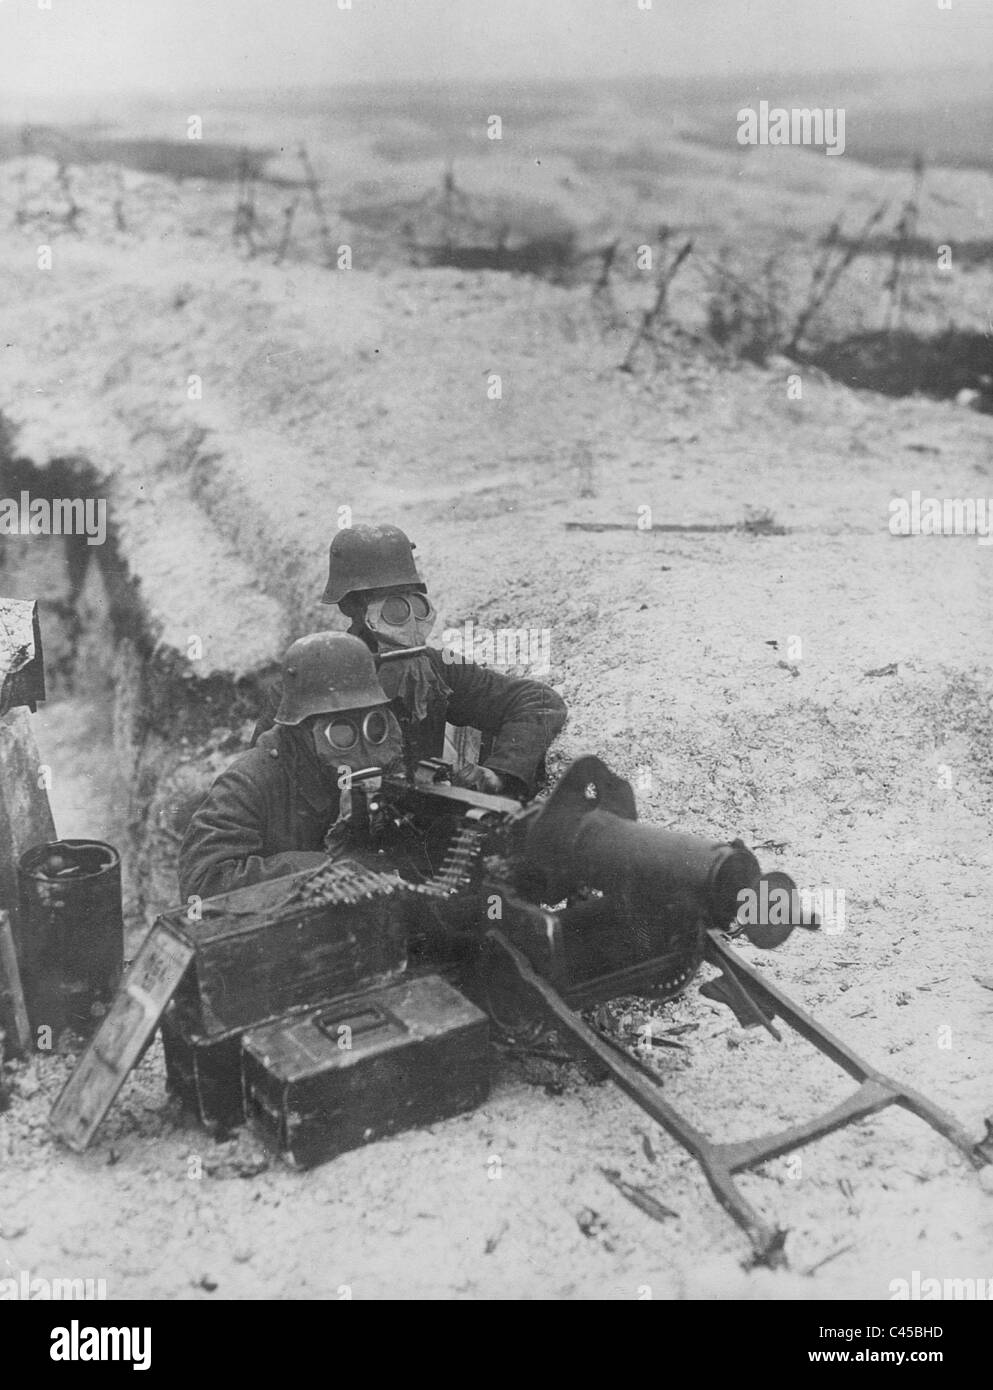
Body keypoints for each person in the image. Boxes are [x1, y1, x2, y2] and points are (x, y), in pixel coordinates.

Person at [253, 523, 566, 799]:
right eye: (389, 605)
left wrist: (498, 773)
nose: (405, 619)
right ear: (351, 607)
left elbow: (537, 701)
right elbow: (260, 783)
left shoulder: (434, 668)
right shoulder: (303, 687)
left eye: (411, 601)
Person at [179, 632, 404, 902]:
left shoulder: (386, 759)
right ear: (302, 727)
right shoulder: (251, 780)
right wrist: (319, 869)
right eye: (341, 731)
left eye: (374, 725)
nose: (363, 748)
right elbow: (203, 881)